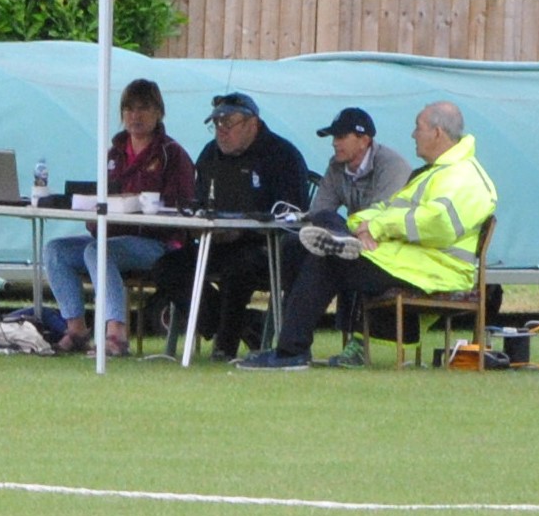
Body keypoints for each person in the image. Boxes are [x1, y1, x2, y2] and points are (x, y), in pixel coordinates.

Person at [237, 100, 495, 371]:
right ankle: (338, 242)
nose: (412, 135)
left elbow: (439, 222)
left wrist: (378, 228)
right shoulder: (436, 173)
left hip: (437, 270)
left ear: (438, 132)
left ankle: (291, 352)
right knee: (299, 245)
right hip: (410, 262)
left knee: (328, 258)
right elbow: (388, 208)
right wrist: (358, 226)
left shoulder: (464, 175)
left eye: (417, 127)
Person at [152, 91, 311, 360]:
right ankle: (246, 324)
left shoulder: (282, 155)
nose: (221, 132)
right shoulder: (210, 155)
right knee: (166, 267)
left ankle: (225, 348)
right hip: (215, 241)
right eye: (216, 125)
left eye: (228, 124)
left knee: (238, 269)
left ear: (253, 124)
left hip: (265, 247)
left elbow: (293, 216)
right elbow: (200, 201)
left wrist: (247, 229)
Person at [46, 78, 195, 357]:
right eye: (128, 109)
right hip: (113, 236)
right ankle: (76, 329)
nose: (135, 116)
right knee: (56, 250)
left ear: (158, 112)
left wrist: (140, 207)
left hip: (157, 243)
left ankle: (116, 333)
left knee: (97, 250)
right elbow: (103, 196)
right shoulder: (114, 153)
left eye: (143, 108)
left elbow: (184, 207)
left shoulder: (172, 154)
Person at [300, 106, 410, 365]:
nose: (335, 144)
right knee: (295, 246)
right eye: (333, 138)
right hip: (355, 242)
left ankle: (355, 344)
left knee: (339, 255)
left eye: (341, 137)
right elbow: (320, 210)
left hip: (387, 248)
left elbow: (384, 217)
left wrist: (346, 231)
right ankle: (291, 340)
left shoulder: (392, 166)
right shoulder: (337, 166)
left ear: (364, 140)